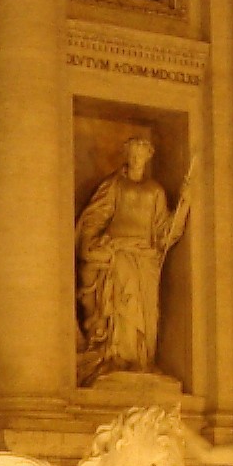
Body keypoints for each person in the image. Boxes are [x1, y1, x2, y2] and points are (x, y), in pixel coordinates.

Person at [75, 137, 192, 380]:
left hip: (146, 258)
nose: (136, 159)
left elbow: (165, 232)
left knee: (146, 311)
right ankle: (117, 357)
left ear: (148, 157)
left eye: (141, 154)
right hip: (120, 254)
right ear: (127, 156)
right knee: (121, 306)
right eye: (132, 154)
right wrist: (91, 243)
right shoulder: (114, 185)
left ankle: (142, 359)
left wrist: (185, 203)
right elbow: (96, 216)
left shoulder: (155, 191)